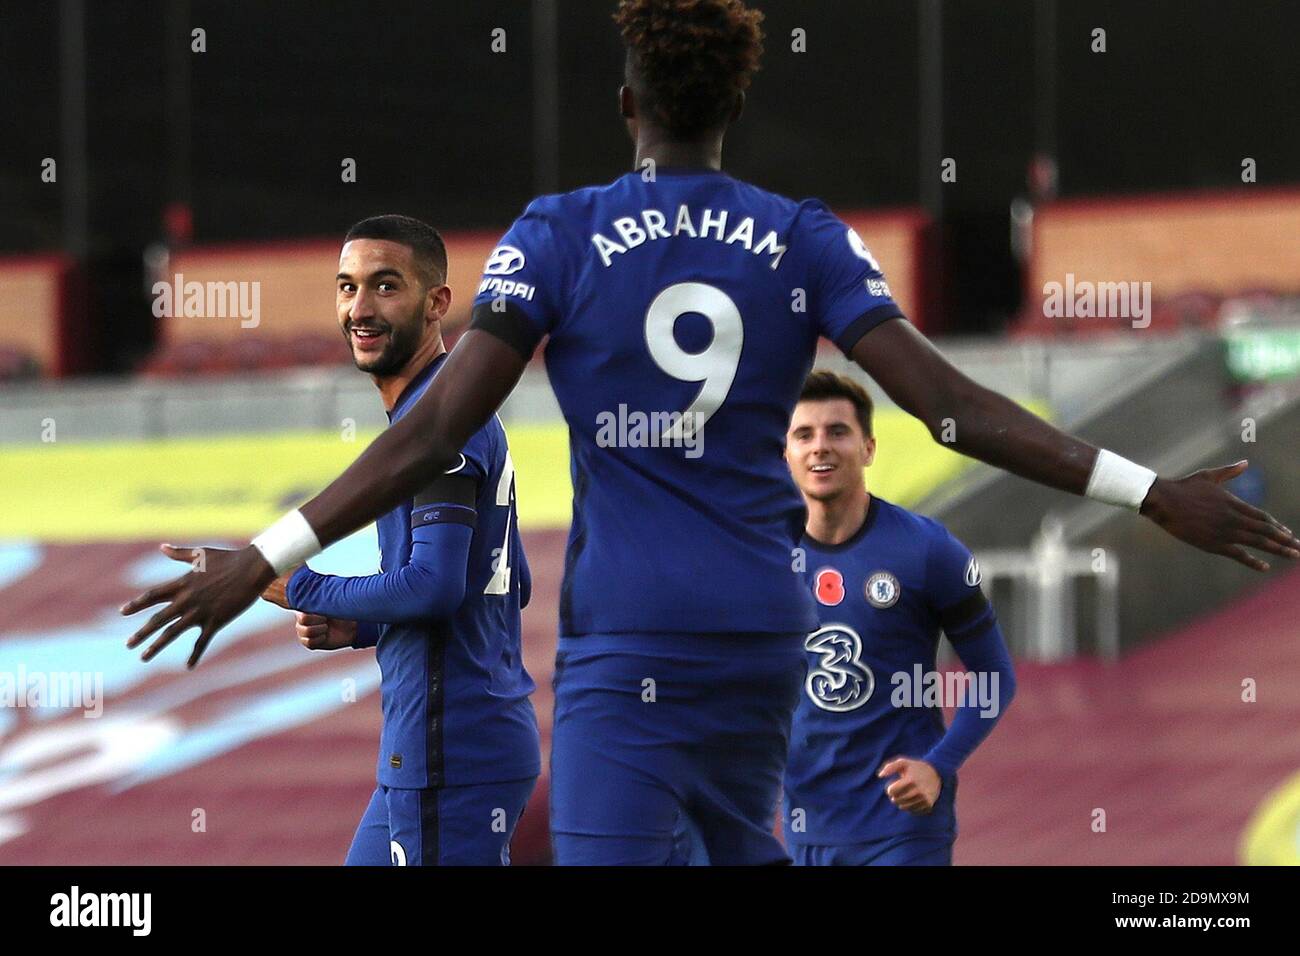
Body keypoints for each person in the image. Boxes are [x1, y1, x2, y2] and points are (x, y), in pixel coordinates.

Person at [122, 0, 1299, 865]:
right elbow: (950, 407)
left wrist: (263, 557)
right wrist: (1152, 491)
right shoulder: (802, 236)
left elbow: (433, 431)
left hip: (626, 644)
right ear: (735, 103)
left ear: (626, 106)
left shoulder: (559, 231)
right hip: (761, 636)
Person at [259, 214, 539, 865]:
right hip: (443, 755)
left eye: (385, 286)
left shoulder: (435, 425)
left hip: (451, 758)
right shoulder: (449, 411)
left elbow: (435, 586)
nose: (360, 307)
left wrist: (300, 585)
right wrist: (357, 627)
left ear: (437, 302)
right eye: (347, 286)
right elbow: (508, 581)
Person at [782, 370, 1014, 865]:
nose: (819, 447)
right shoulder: (760, 556)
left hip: (902, 830)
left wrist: (939, 766)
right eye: (804, 434)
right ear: (786, 453)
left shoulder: (927, 550)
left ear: (868, 448)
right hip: (807, 827)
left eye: (837, 432)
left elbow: (995, 674)